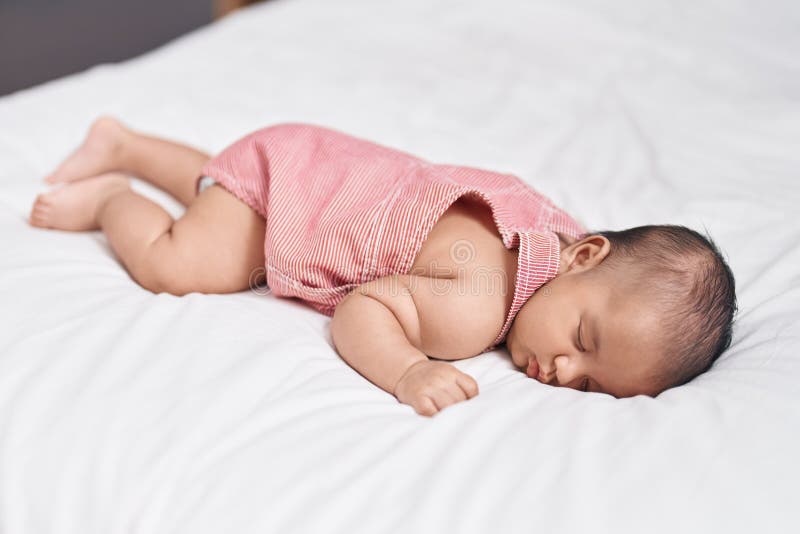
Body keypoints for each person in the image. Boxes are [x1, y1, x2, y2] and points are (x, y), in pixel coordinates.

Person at [28, 118, 737, 416]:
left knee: (232, 194)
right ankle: (113, 200)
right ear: (585, 256)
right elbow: (367, 307)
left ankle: (125, 141)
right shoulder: (476, 306)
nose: (563, 371)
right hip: (290, 201)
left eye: (591, 386)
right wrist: (406, 370)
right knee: (182, 264)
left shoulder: (553, 233)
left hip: (306, 161)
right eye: (582, 341)